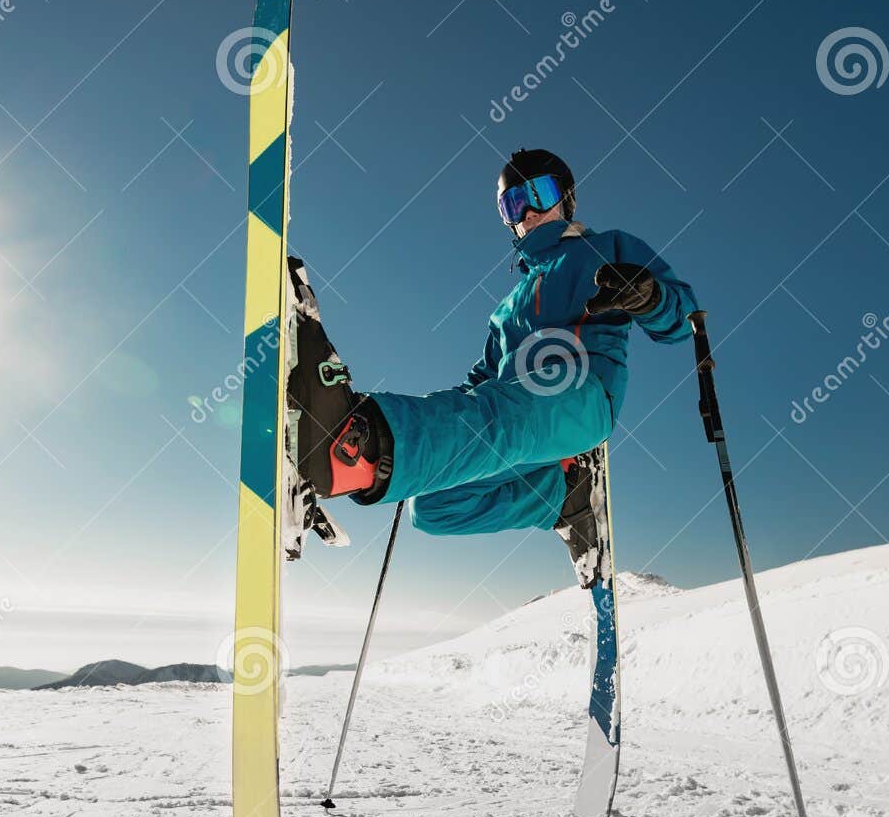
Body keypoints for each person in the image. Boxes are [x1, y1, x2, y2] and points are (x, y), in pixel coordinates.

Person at [288, 148, 699, 584]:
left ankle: (355, 446)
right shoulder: (506, 310)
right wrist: (429, 417)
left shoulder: (607, 249)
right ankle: (562, 498)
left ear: (566, 198)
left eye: (539, 194)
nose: (528, 212)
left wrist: (650, 296)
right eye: (513, 203)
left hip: (582, 396)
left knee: (504, 412)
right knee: (430, 507)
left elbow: (683, 319)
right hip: (514, 418)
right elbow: (479, 385)